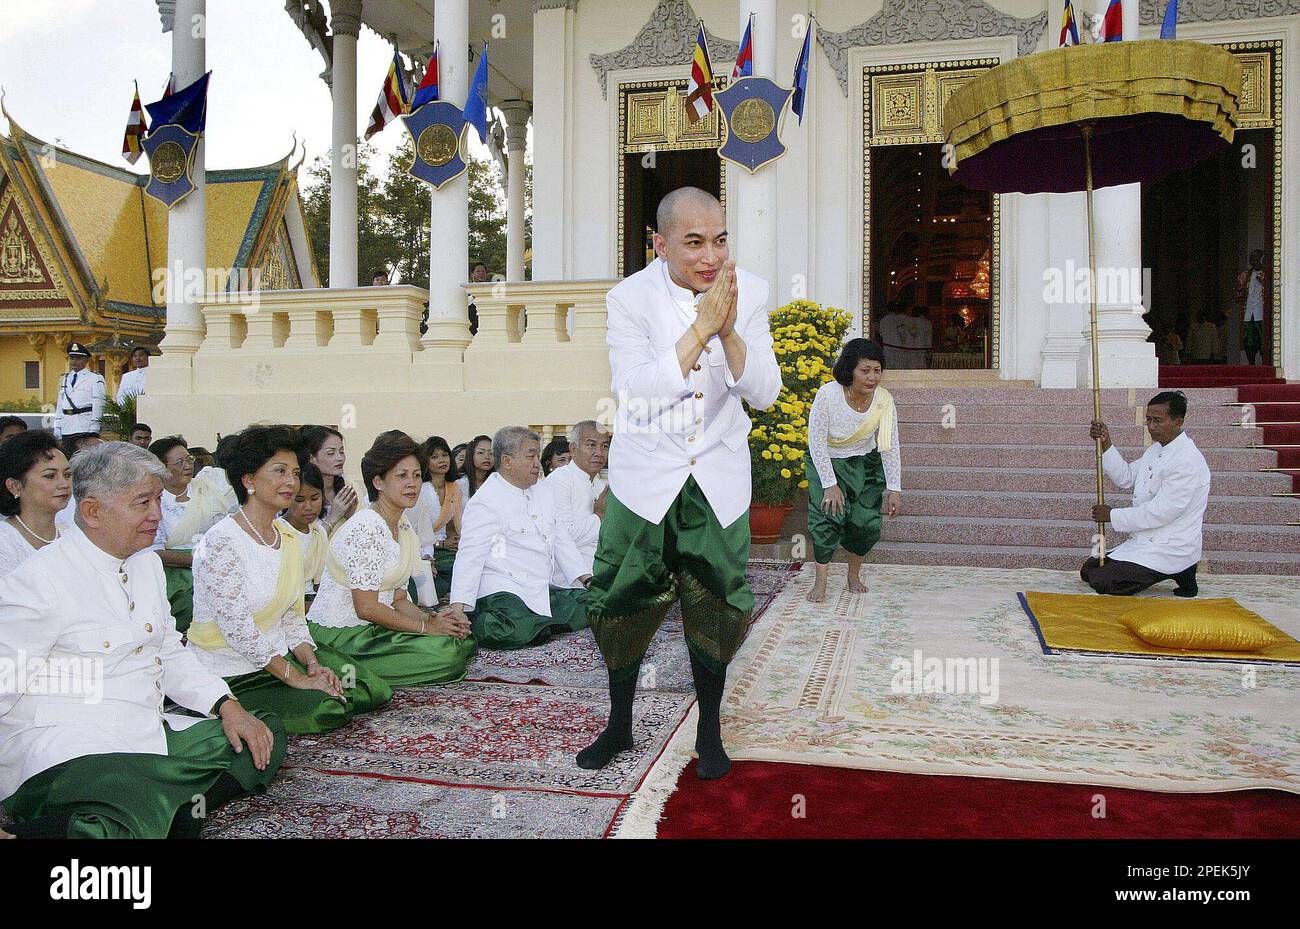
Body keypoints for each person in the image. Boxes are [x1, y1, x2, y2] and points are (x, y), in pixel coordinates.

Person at [576, 187, 781, 780]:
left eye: (719, 240)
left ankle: (709, 731)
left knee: (718, 604)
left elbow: (764, 392)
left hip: (716, 475)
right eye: (694, 243)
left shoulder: (754, 292)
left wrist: (729, 330)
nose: (710, 256)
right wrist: (699, 332)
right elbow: (635, 395)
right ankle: (619, 724)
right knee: (620, 599)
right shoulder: (629, 299)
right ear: (661, 244)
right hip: (646, 479)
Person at [0, 442, 284, 839]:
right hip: (68, 750)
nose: (156, 515)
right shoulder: (38, 582)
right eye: (142, 503)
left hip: (145, 734)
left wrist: (226, 705)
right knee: (122, 789)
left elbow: (168, 648)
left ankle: (158, 808)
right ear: (92, 511)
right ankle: (159, 807)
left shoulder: (146, 562)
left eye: (157, 499)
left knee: (261, 732)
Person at [189, 426, 391, 734]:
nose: (290, 482)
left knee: (364, 687)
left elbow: (293, 617)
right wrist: (297, 678)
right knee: (327, 708)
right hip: (232, 669)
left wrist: (313, 665)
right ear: (248, 480)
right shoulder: (220, 542)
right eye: (280, 471)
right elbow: (239, 632)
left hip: (279, 657)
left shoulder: (287, 536)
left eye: (295, 473)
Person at [306, 432, 476, 685]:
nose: (412, 484)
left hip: (375, 627)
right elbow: (366, 607)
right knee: (447, 655)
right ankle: (347, 670)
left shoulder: (402, 525)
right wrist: (426, 628)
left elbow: (398, 598)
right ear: (378, 482)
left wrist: (432, 620)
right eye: (401, 476)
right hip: (343, 634)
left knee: (460, 638)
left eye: (417, 475)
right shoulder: (367, 526)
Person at [442, 427, 593, 650]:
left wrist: (586, 579)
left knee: (594, 604)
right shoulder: (486, 501)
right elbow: (469, 555)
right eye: (531, 456)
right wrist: (458, 607)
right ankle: (484, 620)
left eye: (537, 455)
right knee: (510, 630)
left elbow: (559, 537)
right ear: (507, 461)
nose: (537, 463)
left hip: (538, 586)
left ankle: (540, 625)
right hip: (503, 588)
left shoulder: (543, 491)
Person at [1082, 391, 1210, 597]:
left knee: (1105, 581)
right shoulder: (1156, 450)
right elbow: (1125, 477)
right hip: (1144, 542)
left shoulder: (1187, 461)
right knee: (1089, 570)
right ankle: (1177, 572)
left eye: (1158, 421)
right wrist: (1106, 442)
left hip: (1170, 546)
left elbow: (1162, 512)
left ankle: (1183, 568)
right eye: (1148, 420)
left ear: (1179, 421)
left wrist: (1112, 515)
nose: (1151, 427)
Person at [805, 338, 903, 602]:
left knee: (865, 523)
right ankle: (821, 580)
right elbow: (815, 441)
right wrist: (829, 483)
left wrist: (894, 488)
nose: (872, 377)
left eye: (877, 370)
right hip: (827, 461)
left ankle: (853, 575)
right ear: (850, 370)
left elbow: (890, 445)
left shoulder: (884, 400)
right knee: (827, 517)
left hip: (865, 465)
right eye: (865, 370)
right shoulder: (827, 394)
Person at [540, 420, 609, 574]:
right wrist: (599, 516)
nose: (599, 452)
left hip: (601, 575)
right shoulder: (559, 481)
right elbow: (562, 537)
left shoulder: (600, 485)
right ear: (573, 448)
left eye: (604, 446)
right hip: (569, 582)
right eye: (591, 445)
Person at [0, 431, 70, 576]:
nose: (64, 484)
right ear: (14, 486)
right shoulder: (4, 542)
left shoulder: (72, 536)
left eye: (68, 475)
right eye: (50, 476)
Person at [148, 436, 197, 631]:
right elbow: (155, 552)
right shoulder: (157, 502)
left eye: (189, 459)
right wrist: (201, 559)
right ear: (162, 467)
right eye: (179, 462)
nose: (187, 466)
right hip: (176, 571)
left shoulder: (208, 492)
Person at [409, 436, 462, 604]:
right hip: (421, 550)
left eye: (444, 455)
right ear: (426, 461)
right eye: (434, 457)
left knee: (464, 567)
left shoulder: (454, 487)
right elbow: (412, 531)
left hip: (447, 549)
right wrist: (439, 545)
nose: (441, 460)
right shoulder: (420, 490)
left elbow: (459, 524)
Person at [283, 461, 329, 598]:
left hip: (313, 601)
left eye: (315, 498)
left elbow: (320, 582)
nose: (308, 507)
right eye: (299, 500)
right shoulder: (279, 532)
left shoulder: (319, 533)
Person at [300, 425, 359, 532]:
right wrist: (333, 517)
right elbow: (309, 543)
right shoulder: (302, 490)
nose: (340, 458)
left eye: (341, 451)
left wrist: (350, 517)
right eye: (331, 453)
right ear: (312, 458)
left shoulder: (350, 487)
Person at [52, 342, 105, 439]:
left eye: (78, 358)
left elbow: (99, 403)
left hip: (85, 425)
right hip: (66, 425)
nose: (74, 361)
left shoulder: (95, 378)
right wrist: (57, 425)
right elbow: (60, 403)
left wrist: (95, 426)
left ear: (86, 360)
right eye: (72, 358)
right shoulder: (65, 378)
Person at [1236, 249, 1271, 366]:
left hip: (1261, 312)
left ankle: (1264, 364)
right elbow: (1238, 296)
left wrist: (1264, 282)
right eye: (1251, 258)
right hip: (1248, 312)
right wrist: (1240, 289)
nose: (1252, 261)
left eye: (1255, 258)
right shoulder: (1245, 276)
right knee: (1248, 339)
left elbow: (1273, 292)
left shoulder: (1268, 274)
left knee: (1263, 338)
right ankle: (1251, 364)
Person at [877, 304, 912, 370]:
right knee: (899, 367)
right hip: (898, 346)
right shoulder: (898, 319)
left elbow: (881, 333)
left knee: (888, 366)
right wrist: (904, 343)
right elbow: (902, 332)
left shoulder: (883, 320)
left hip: (887, 346)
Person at [460, 433, 494, 498]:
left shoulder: (497, 482)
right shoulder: (460, 483)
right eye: (481, 452)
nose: (487, 457)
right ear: (471, 455)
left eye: (491, 453)